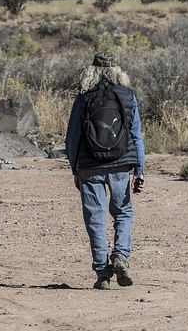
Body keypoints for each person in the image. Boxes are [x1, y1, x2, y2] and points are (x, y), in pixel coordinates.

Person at [65, 50, 146, 290]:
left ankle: (102, 273)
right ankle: (120, 256)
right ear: (117, 70)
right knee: (122, 212)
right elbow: (136, 135)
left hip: (89, 165)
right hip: (121, 163)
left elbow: (72, 138)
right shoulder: (127, 96)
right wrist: (140, 169)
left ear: (92, 70)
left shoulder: (83, 97)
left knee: (95, 217)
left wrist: (75, 169)